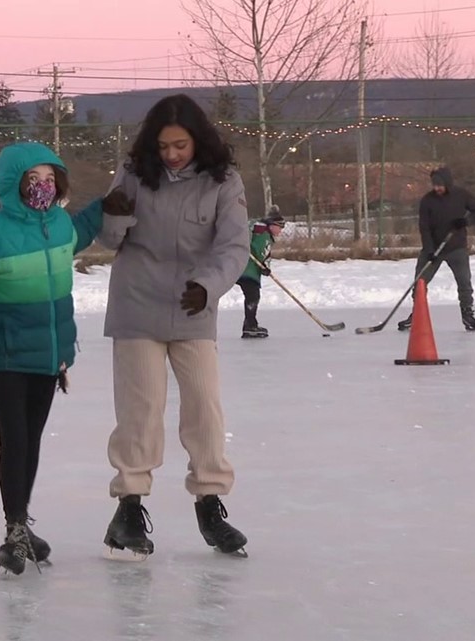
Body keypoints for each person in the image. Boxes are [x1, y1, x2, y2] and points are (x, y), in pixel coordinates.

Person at [0, 142, 110, 575]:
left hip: (48, 357)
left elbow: (82, 230)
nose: (43, 187)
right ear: (13, 184)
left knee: (30, 440)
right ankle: (14, 529)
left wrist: (111, 203)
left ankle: (21, 522)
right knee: (15, 439)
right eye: (33, 180)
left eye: (50, 179)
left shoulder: (59, 225)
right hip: (7, 354)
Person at [96, 93, 250, 559]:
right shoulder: (134, 172)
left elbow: (234, 246)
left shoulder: (223, 181)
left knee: (204, 404)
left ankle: (209, 501)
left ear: (198, 140)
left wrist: (208, 285)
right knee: (140, 409)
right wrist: (116, 214)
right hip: (137, 302)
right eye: (163, 146)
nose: (171, 154)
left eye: (180, 145)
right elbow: (108, 241)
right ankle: (128, 507)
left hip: (192, 304)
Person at [398, 166, 475, 332]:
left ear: (448, 183)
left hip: (456, 247)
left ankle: (467, 313)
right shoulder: (427, 201)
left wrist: (465, 222)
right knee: (420, 282)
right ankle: (417, 313)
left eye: (440, 185)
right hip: (433, 249)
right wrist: (429, 250)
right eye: (434, 185)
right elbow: (424, 227)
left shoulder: (461, 195)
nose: (437, 188)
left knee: (464, 282)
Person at [237, 209, 286, 339]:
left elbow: (264, 255)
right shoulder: (261, 232)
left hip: (250, 270)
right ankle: (250, 327)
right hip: (247, 269)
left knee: (253, 296)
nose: (281, 230)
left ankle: (250, 325)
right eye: (279, 227)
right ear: (271, 224)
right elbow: (256, 248)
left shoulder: (266, 236)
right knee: (253, 296)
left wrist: (266, 267)